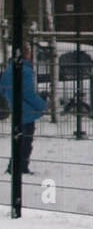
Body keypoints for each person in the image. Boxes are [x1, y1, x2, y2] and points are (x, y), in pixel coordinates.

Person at [1, 44, 45, 175]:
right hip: (27, 111)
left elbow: (3, 89)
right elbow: (28, 93)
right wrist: (42, 105)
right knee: (26, 141)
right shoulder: (25, 70)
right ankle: (21, 167)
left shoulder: (8, 69)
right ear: (26, 54)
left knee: (18, 139)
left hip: (14, 108)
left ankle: (13, 166)